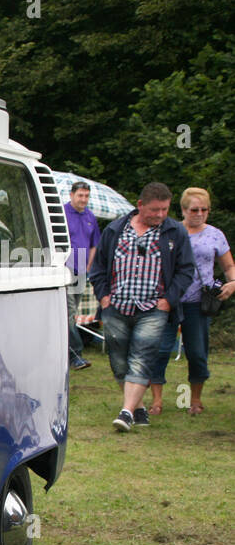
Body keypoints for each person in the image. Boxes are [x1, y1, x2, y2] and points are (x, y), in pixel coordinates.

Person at [87, 182, 195, 432]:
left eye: (165, 209)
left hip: (153, 308)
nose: (160, 215)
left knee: (142, 355)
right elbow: (98, 268)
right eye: (155, 210)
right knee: (119, 361)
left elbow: (186, 270)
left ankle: (125, 413)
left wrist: (169, 299)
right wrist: (104, 296)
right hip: (116, 307)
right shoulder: (115, 229)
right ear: (140, 205)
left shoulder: (175, 232)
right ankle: (138, 407)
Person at [147, 187, 235, 416]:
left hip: (198, 301)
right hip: (169, 299)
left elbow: (228, 266)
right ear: (183, 210)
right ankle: (156, 401)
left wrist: (232, 283)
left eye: (204, 209)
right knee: (160, 350)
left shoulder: (215, 235)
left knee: (197, 352)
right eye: (194, 209)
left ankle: (195, 399)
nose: (199, 213)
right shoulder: (169, 231)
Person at [63, 181, 99, 371]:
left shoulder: (90, 217)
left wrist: (89, 265)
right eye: (80, 195)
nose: (83, 199)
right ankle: (77, 355)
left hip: (82, 271)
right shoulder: (60, 214)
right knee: (68, 314)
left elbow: (94, 244)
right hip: (65, 271)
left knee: (70, 315)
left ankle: (63, 354)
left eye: (86, 196)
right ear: (72, 195)